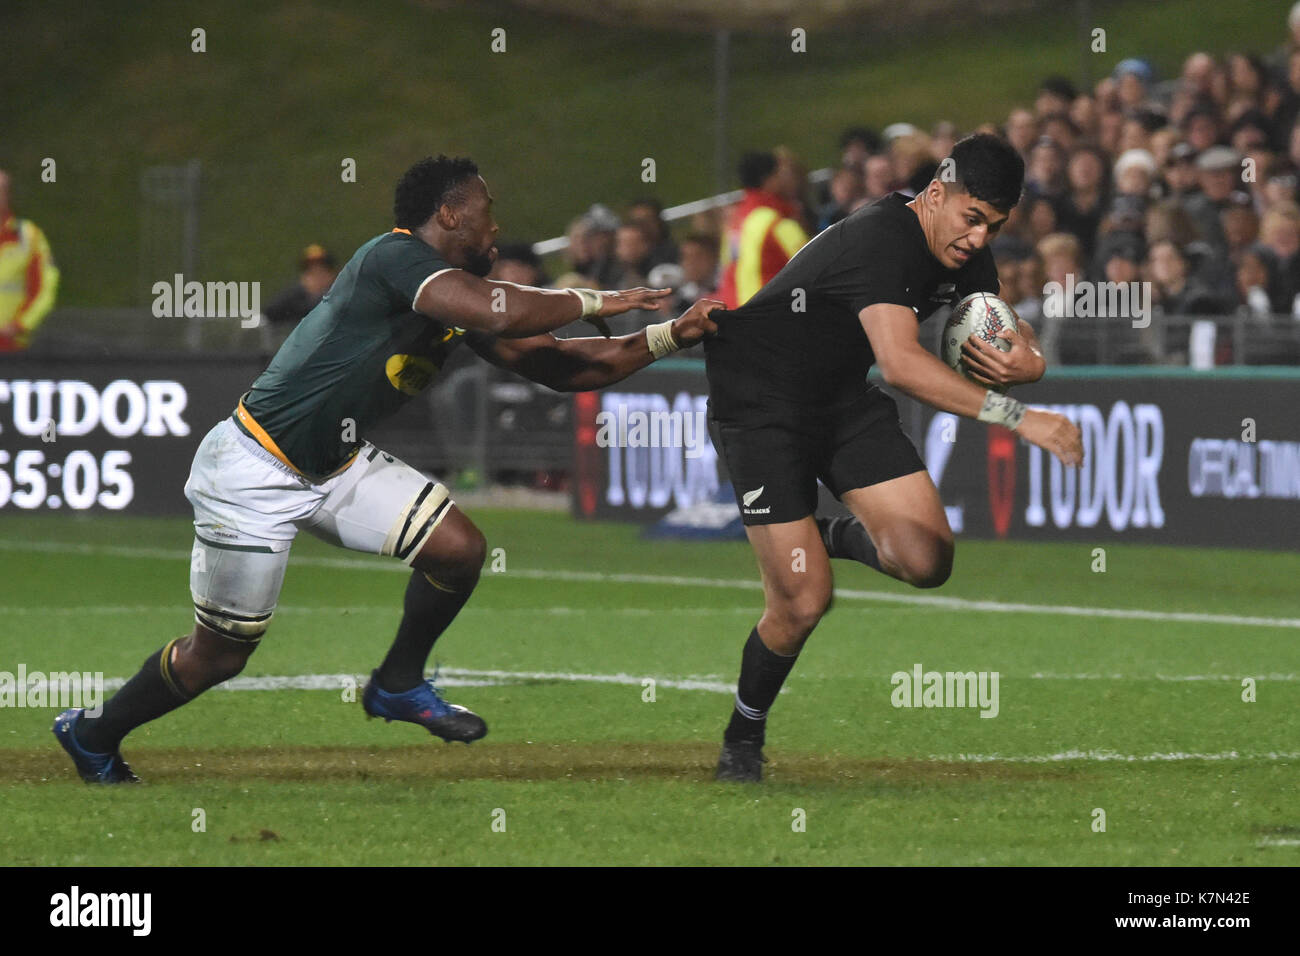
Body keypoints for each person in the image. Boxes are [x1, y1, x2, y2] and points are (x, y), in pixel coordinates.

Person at [54, 155, 722, 784]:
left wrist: (671, 335)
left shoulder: (459, 299)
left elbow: (566, 367)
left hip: (333, 466)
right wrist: (599, 300)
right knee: (219, 656)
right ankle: (94, 733)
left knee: (458, 550)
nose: (496, 226)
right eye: (487, 210)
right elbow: (500, 307)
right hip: (254, 468)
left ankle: (397, 683)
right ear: (450, 215)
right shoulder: (395, 255)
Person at [702, 134, 1083, 782]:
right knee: (804, 601)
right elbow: (902, 364)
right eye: (971, 218)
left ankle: (824, 536)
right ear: (935, 195)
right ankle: (743, 737)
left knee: (926, 559)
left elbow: (997, 323)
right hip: (760, 401)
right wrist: (1021, 418)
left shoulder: (967, 249)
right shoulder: (883, 237)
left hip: (839, 399)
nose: (979, 238)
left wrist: (1032, 359)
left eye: (994, 226)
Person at [716, 151, 809, 308]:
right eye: (780, 174)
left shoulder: (735, 221)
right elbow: (813, 267)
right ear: (769, 180)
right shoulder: (777, 223)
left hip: (734, 312)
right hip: (767, 314)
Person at [0, 169, 60, 352]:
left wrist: (20, 325)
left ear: (8, 196)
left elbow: (45, 289)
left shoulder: (28, 236)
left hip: (12, 347)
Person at [263, 244, 339, 330]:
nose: (316, 277)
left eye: (321, 272)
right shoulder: (293, 298)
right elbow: (268, 313)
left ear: (332, 275)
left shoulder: (340, 297)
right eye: (311, 272)